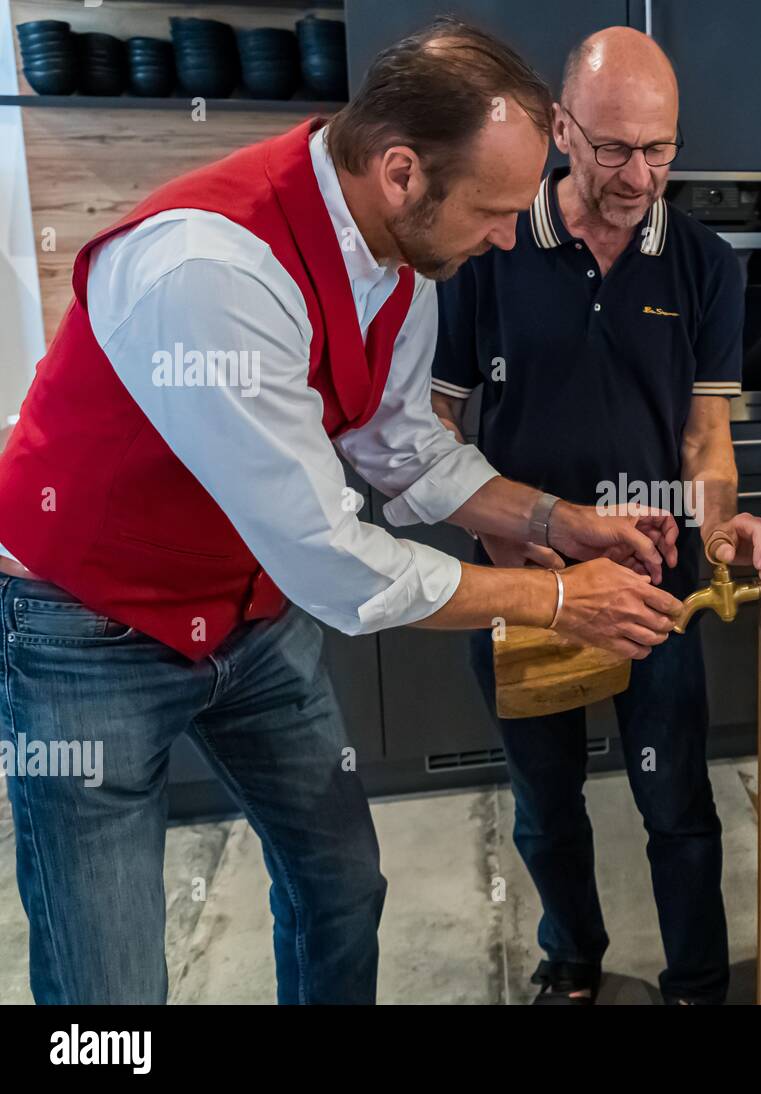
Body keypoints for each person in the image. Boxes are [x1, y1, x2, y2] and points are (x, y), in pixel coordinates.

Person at [0, 19, 683, 1005]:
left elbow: (402, 448)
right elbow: (334, 560)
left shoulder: (403, 258)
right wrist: (558, 599)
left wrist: (553, 522)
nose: (506, 236)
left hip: (246, 613)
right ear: (401, 171)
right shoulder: (214, 271)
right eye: (494, 210)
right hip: (85, 624)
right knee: (108, 981)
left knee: (341, 881)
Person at [430, 27, 761, 1005]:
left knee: (675, 798)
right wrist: (517, 545)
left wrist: (720, 532)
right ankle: (572, 962)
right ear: (558, 128)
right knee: (544, 807)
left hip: (652, 586)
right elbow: (438, 419)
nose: (639, 174)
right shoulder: (491, 245)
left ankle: (698, 984)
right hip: (522, 578)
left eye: (661, 149)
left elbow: (703, 437)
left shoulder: (704, 263)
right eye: (613, 147)